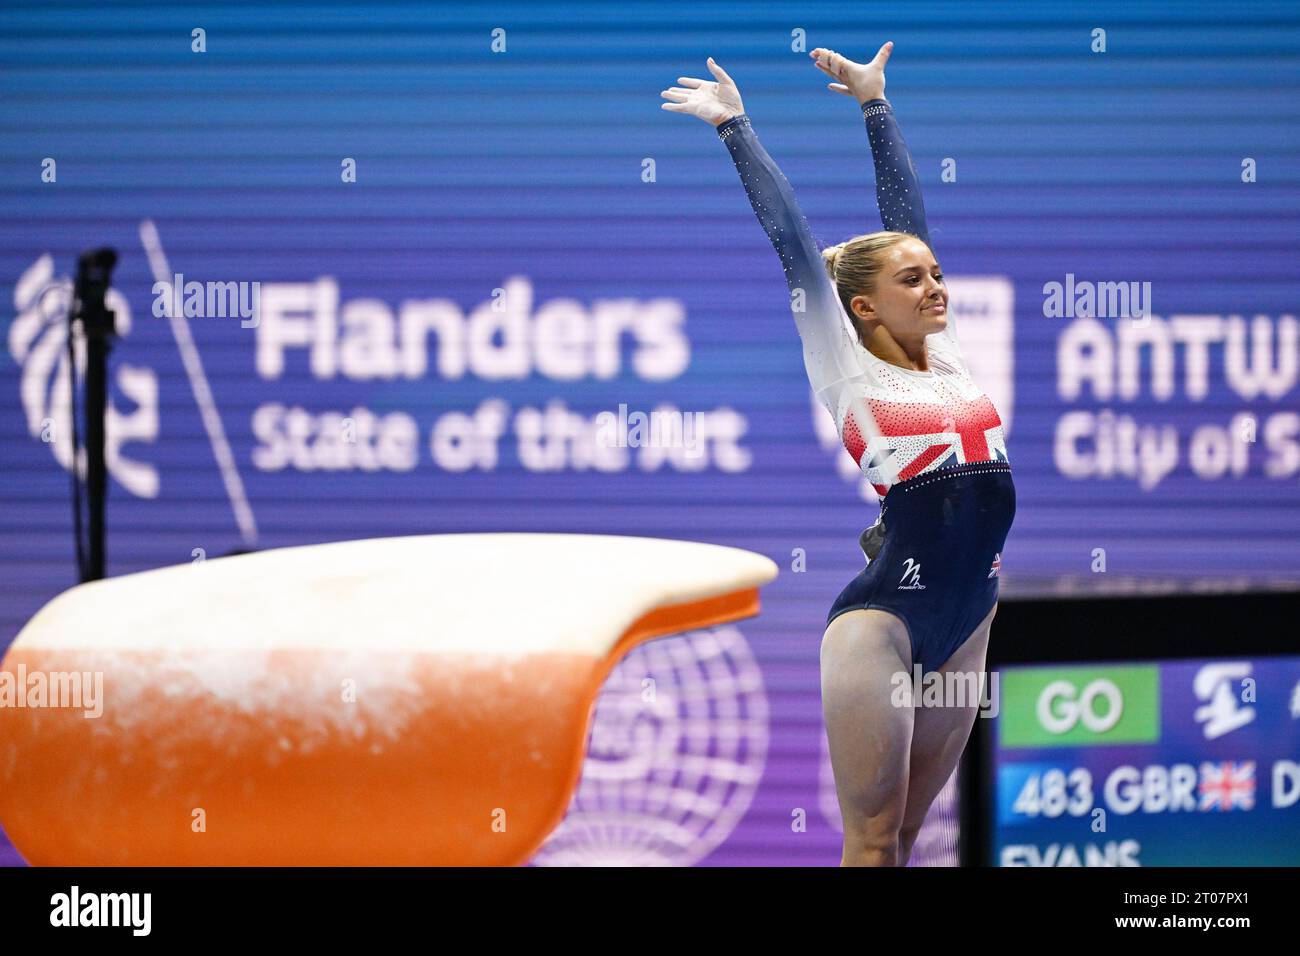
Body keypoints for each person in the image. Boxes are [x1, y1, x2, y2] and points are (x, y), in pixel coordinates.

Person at [661, 42, 1016, 866]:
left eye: (936, 275)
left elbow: (908, 219)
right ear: (862, 303)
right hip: (884, 622)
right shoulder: (840, 351)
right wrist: (734, 127)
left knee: (910, 837)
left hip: (971, 614)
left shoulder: (948, 352)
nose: (935, 287)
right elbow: (791, 236)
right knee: (869, 841)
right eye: (912, 279)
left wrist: (874, 104)